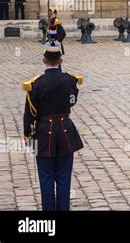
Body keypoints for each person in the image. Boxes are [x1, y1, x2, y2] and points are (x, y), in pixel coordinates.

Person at [22, 28, 84, 211]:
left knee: (46, 177)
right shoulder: (70, 81)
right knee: (64, 177)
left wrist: (27, 134)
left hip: (43, 134)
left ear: (44, 60)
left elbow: (30, 113)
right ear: (61, 60)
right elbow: (72, 102)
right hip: (65, 130)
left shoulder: (35, 85)